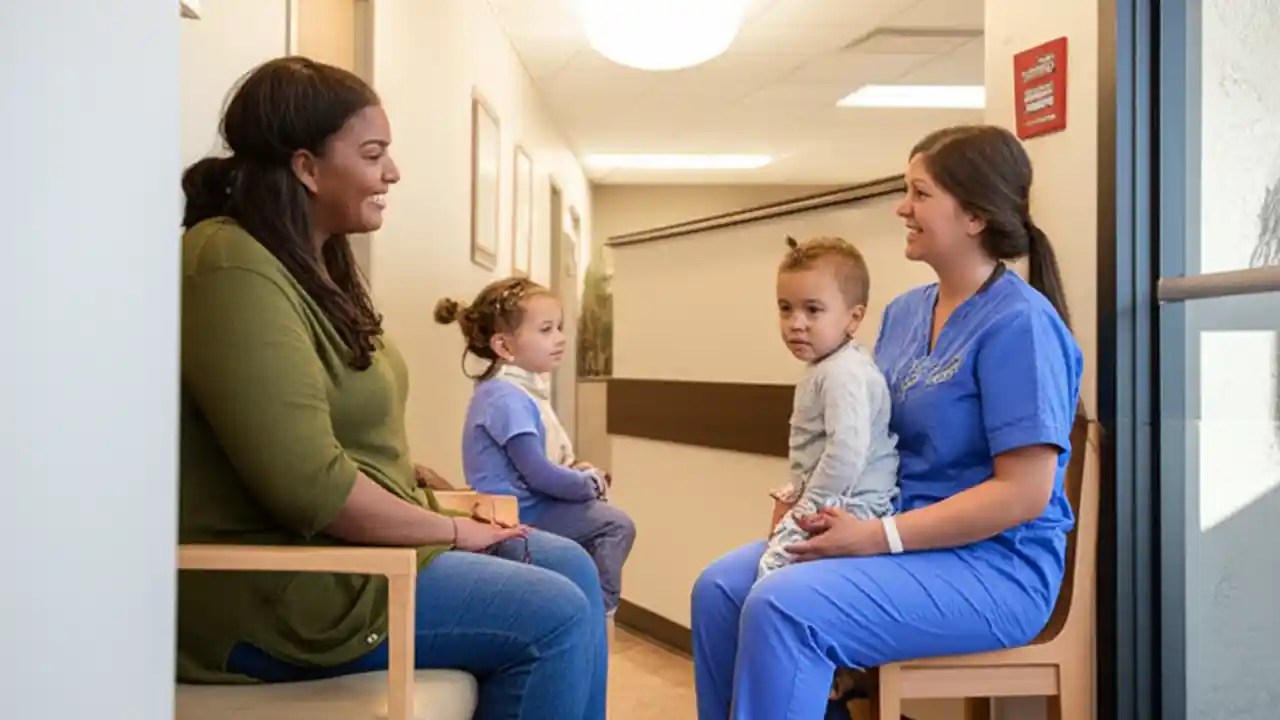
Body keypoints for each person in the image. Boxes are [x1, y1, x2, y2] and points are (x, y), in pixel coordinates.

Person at [177, 57, 607, 720]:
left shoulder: (313, 265)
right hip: (283, 589)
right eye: (374, 153)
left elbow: (319, 427)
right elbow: (306, 485)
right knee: (555, 616)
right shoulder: (231, 264)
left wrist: (408, 476)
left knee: (572, 567)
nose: (393, 172)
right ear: (307, 167)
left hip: (343, 552)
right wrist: (450, 530)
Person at [690, 124, 1084, 719]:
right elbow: (866, 440)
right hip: (888, 534)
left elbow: (1024, 494)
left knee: (784, 605)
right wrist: (812, 505)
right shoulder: (903, 315)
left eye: (919, 194)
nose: (903, 207)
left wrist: (876, 538)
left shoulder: (1021, 325)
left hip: (994, 568)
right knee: (719, 589)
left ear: (974, 216)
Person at [435, 278, 637, 616]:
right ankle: (596, 611)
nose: (560, 338)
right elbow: (538, 473)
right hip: (520, 513)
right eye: (546, 330)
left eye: (559, 327)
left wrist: (576, 472)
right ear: (504, 346)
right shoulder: (505, 397)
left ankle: (582, 602)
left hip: (529, 504)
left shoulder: (515, 392)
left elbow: (542, 463)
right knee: (616, 525)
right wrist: (590, 484)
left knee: (602, 520)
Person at [760, 236, 899, 580]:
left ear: (853, 318)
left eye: (813, 310)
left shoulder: (843, 374)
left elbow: (846, 454)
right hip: (836, 499)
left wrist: (805, 509)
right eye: (785, 308)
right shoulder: (829, 366)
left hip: (853, 507)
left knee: (773, 571)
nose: (796, 323)